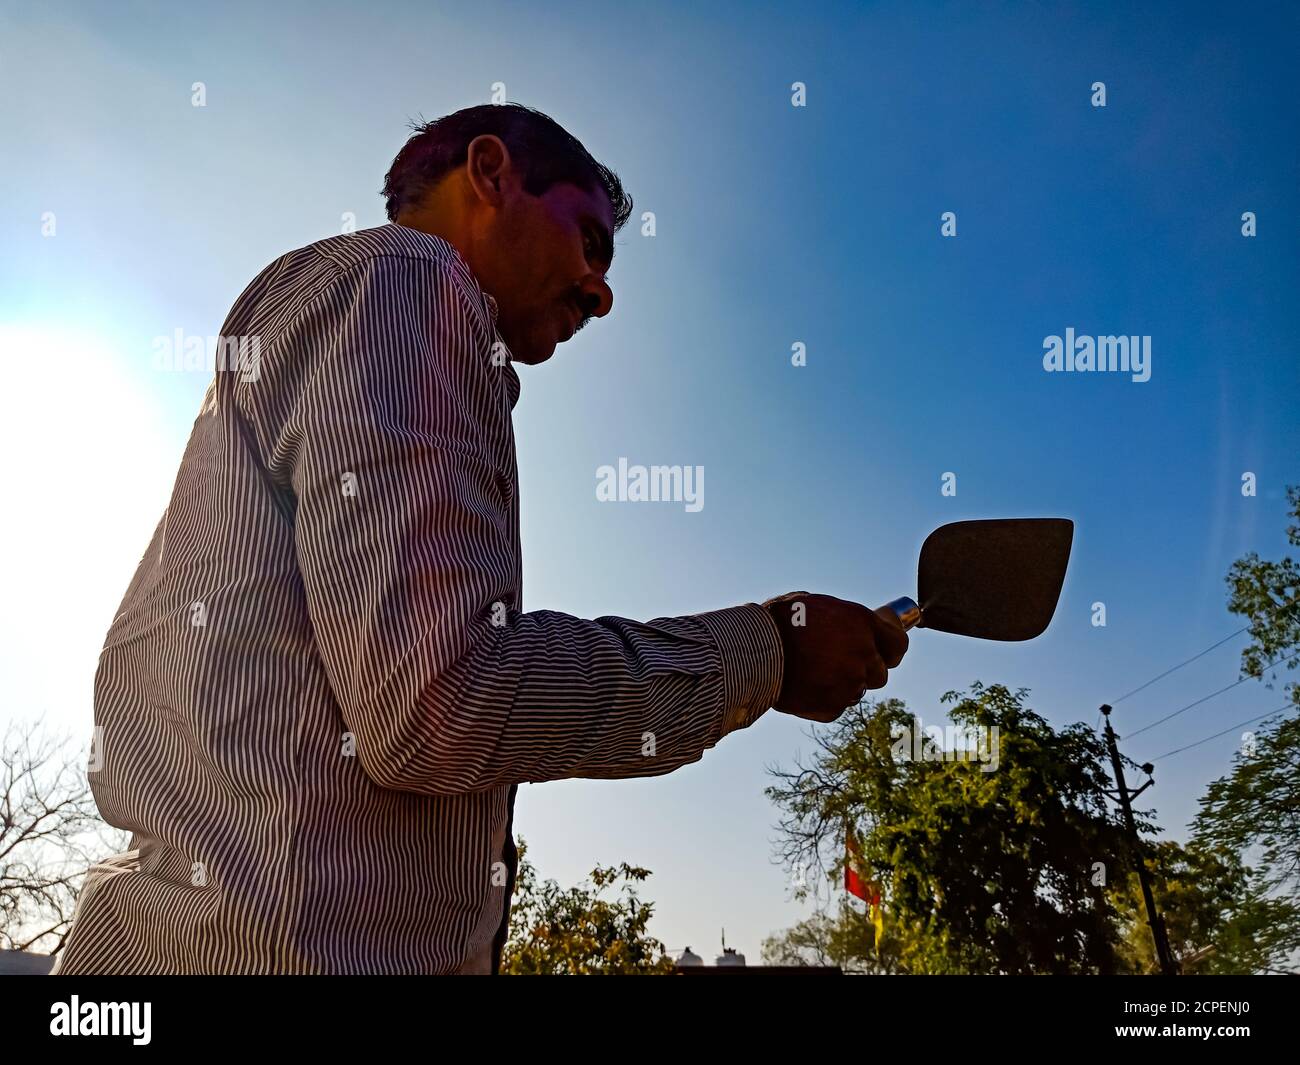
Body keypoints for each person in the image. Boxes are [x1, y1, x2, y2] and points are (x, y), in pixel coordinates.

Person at [54, 104, 907, 975]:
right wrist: (765, 650)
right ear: (492, 173)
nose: (601, 292)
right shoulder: (407, 282)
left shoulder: (357, 314)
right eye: (589, 240)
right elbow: (437, 704)